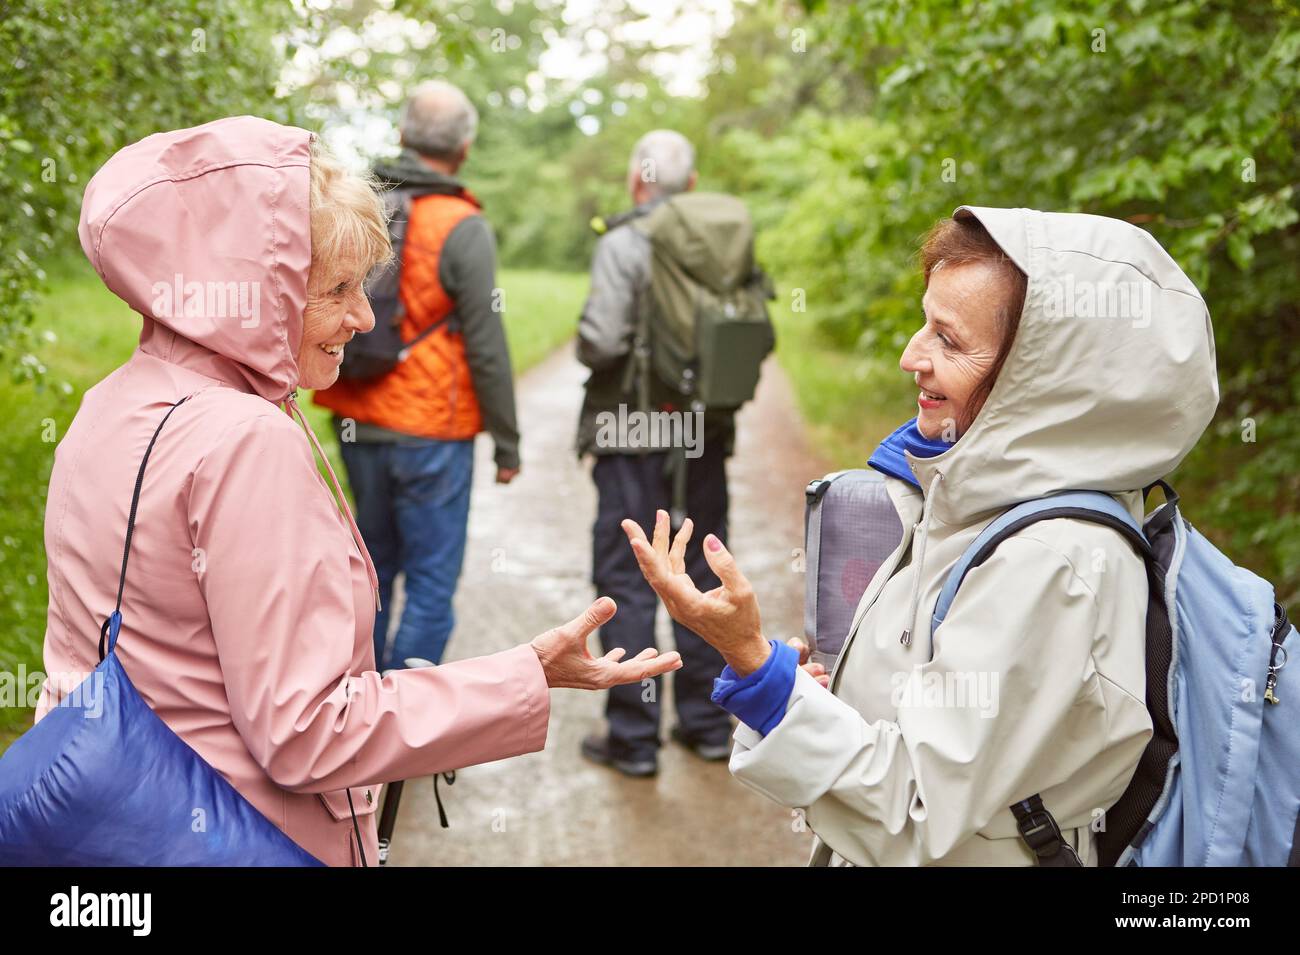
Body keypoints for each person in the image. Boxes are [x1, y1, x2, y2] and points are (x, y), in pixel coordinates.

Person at [36, 115, 680, 867]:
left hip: (102, 825)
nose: (363, 317)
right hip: (237, 834)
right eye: (337, 289)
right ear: (250, 291)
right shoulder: (247, 441)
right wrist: (523, 675)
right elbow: (307, 734)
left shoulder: (107, 405)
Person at [623, 206, 1219, 865]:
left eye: (950, 341)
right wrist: (817, 697)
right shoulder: (975, 502)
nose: (912, 356)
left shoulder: (1051, 559)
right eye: (924, 326)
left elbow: (911, 810)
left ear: (1045, 381)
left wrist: (757, 670)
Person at [314, 80, 517, 671]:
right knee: (430, 584)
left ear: (402, 135)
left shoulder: (361, 204)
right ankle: (402, 739)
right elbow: (486, 341)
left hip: (358, 421)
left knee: (372, 572)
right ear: (465, 149)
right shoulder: (462, 223)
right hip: (433, 430)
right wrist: (507, 439)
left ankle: (358, 715)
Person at [575, 130, 742, 777]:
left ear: (635, 181)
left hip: (631, 434)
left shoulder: (622, 243)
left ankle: (634, 740)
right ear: (692, 186)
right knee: (701, 571)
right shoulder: (721, 244)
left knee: (630, 574)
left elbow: (600, 342)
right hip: (704, 436)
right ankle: (706, 725)